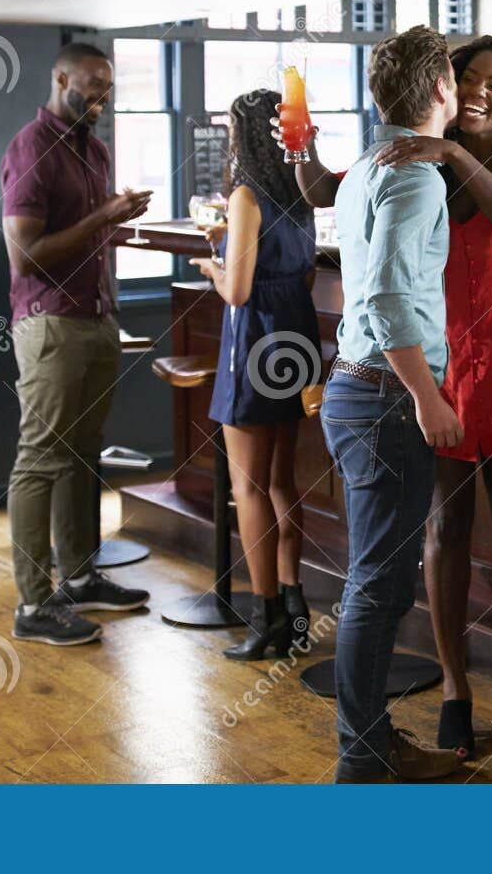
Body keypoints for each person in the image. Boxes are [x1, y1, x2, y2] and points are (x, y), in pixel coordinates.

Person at [342, 35, 492, 758]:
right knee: (444, 528)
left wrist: (457, 156)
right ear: (443, 85)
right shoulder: (414, 157)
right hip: (433, 363)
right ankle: (454, 686)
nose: (477, 92)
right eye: (467, 78)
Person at [320, 26, 465, 783]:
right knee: (378, 589)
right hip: (383, 395)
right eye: (454, 78)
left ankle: (371, 744)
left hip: (352, 389)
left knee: (376, 584)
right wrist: (426, 394)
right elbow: (383, 295)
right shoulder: (417, 176)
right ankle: (361, 759)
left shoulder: (366, 167)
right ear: (441, 88)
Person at [0, 42, 153, 647]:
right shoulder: (31, 148)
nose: (102, 96)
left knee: (83, 457)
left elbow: (88, 238)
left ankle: (81, 577)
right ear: (60, 76)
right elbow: (26, 255)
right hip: (50, 323)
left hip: (95, 319)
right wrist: (103, 217)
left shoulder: (94, 149)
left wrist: (111, 217)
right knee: (40, 459)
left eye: (108, 88)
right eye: (92, 85)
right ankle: (34, 605)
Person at [189, 89, 321, 661]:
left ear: (241, 136)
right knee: (282, 481)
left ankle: (264, 615)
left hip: (255, 343)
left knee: (247, 485)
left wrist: (215, 266)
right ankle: (295, 609)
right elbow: (306, 274)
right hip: (297, 338)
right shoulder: (303, 193)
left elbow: (238, 293)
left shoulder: (245, 195)